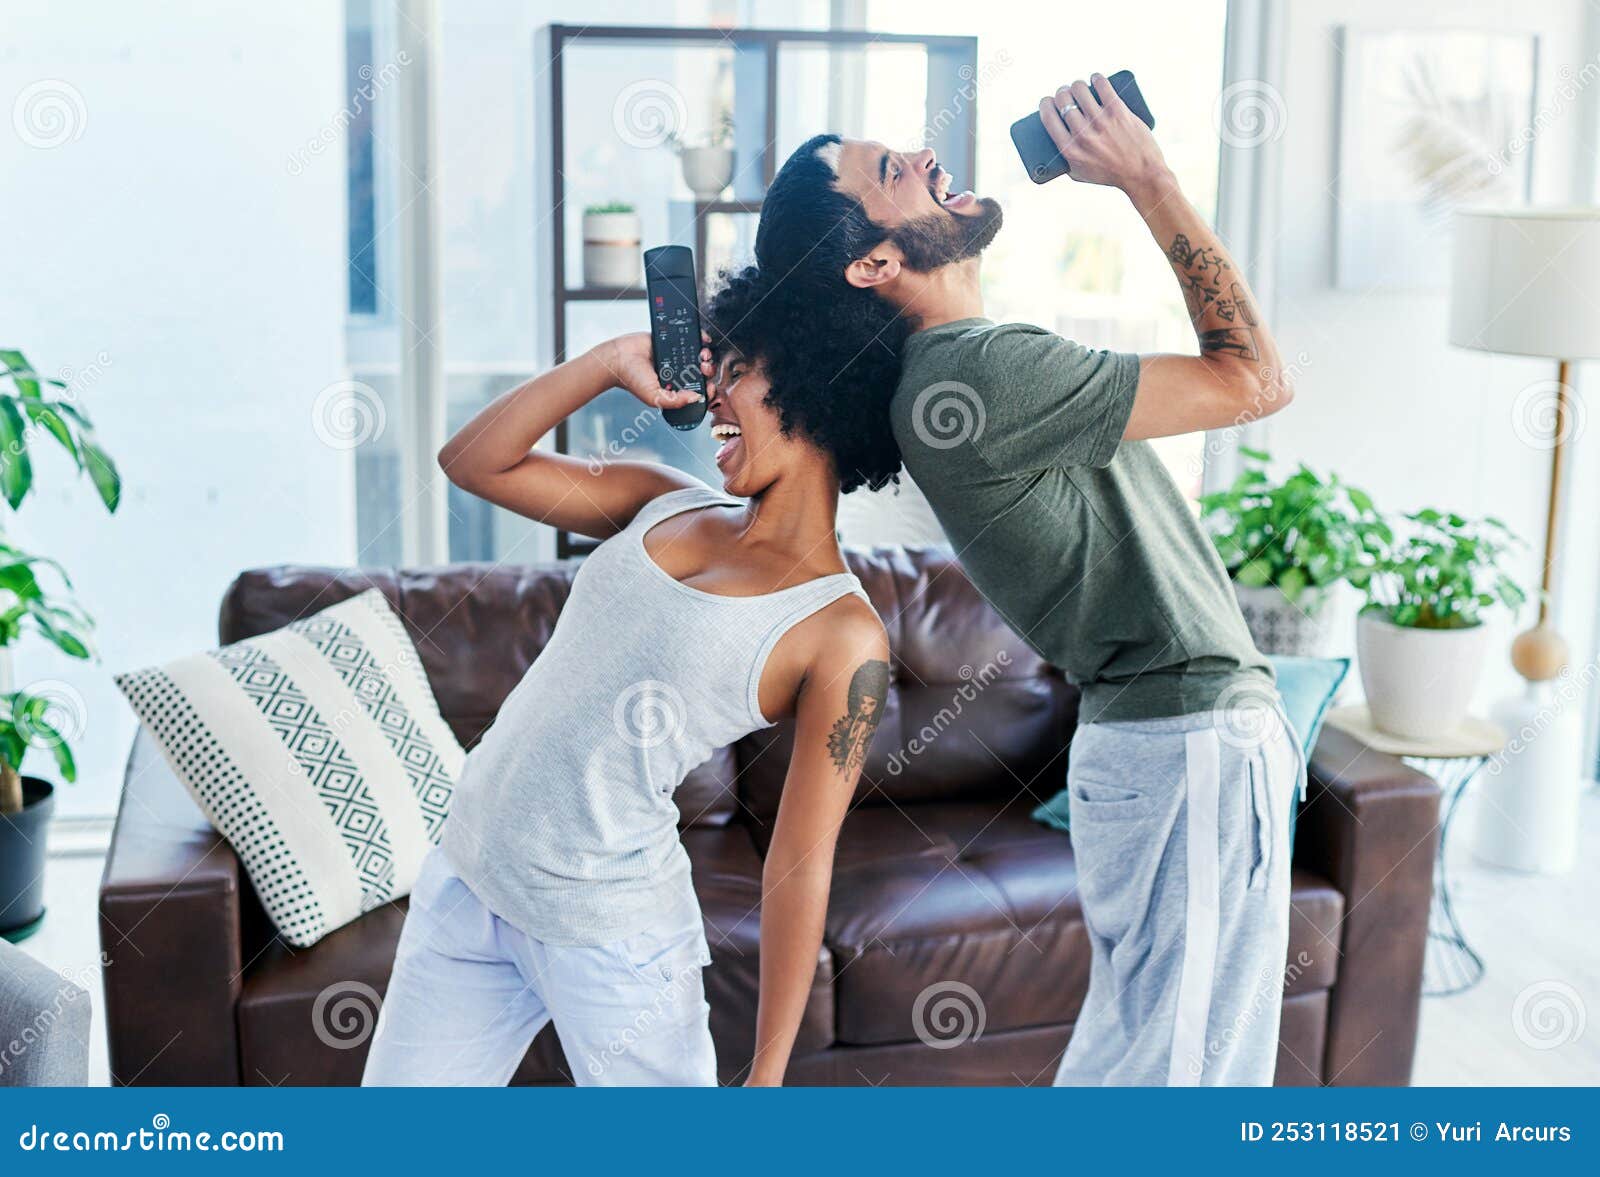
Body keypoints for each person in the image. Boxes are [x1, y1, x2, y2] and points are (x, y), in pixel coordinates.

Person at [728, 75, 1302, 1086]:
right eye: (886, 172)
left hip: (1158, 744)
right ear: (873, 261)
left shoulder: (959, 375)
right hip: (1187, 735)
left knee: (1133, 1065)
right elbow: (1254, 379)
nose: (918, 154)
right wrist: (1147, 179)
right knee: (1186, 1082)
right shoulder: (970, 375)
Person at [362, 267, 905, 1087]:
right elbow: (473, 461)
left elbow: (800, 861)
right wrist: (612, 360)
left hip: (613, 939)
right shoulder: (663, 500)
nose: (713, 399)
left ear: (816, 387)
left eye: (739, 374)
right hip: (471, 878)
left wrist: (765, 1078)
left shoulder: (843, 633)